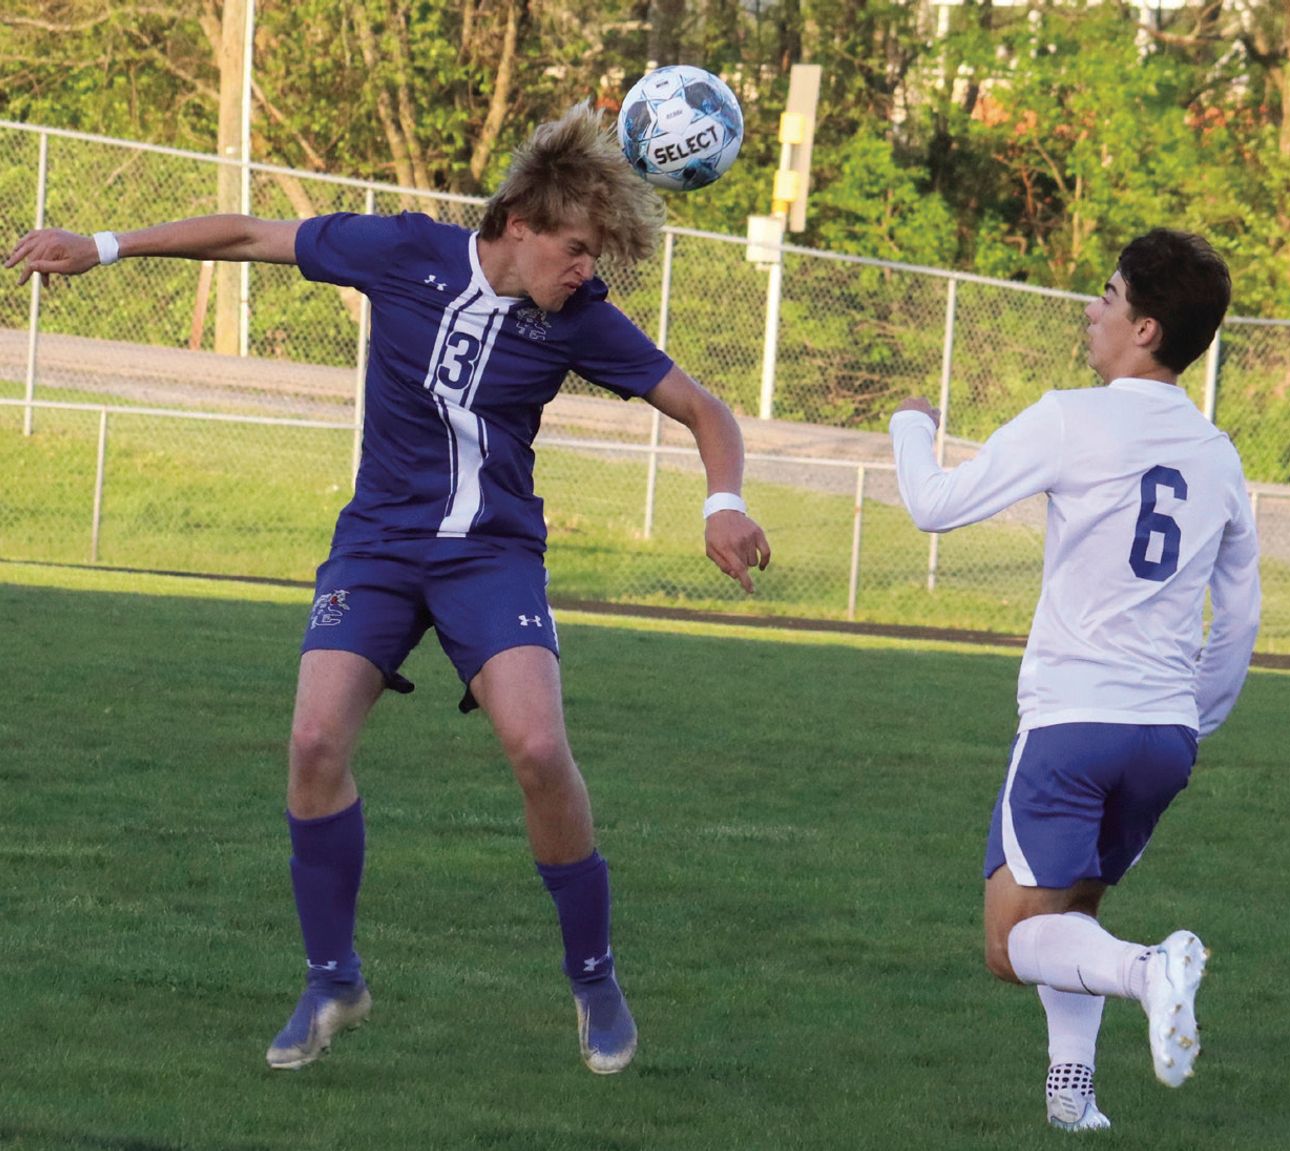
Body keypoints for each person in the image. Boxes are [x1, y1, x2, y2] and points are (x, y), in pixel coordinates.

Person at [7, 102, 771, 1076]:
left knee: (539, 746)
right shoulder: (401, 250)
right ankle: (333, 975)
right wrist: (102, 245)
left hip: (491, 552)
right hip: (376, 545)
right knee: (314, 739)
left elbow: (703, 407)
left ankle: (594, 974)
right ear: (519, 221)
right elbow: (249, 233)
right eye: (577, 249)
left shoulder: (577, 317)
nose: (588, 272)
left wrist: (724, 501)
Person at [888, 229, 1260, 1132]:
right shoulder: (1219, 455)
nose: (1091, 308)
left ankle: (1150, 970)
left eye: (1107, 293)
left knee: (1012, 943)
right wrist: (1192, 724)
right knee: (1076, 910)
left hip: (1072, 726)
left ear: (1146, 328)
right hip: (1164, 741)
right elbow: (1241, 619)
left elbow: (932, 506)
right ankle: (1072, 1094)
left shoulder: (1071, 415)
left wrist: (910, 424)